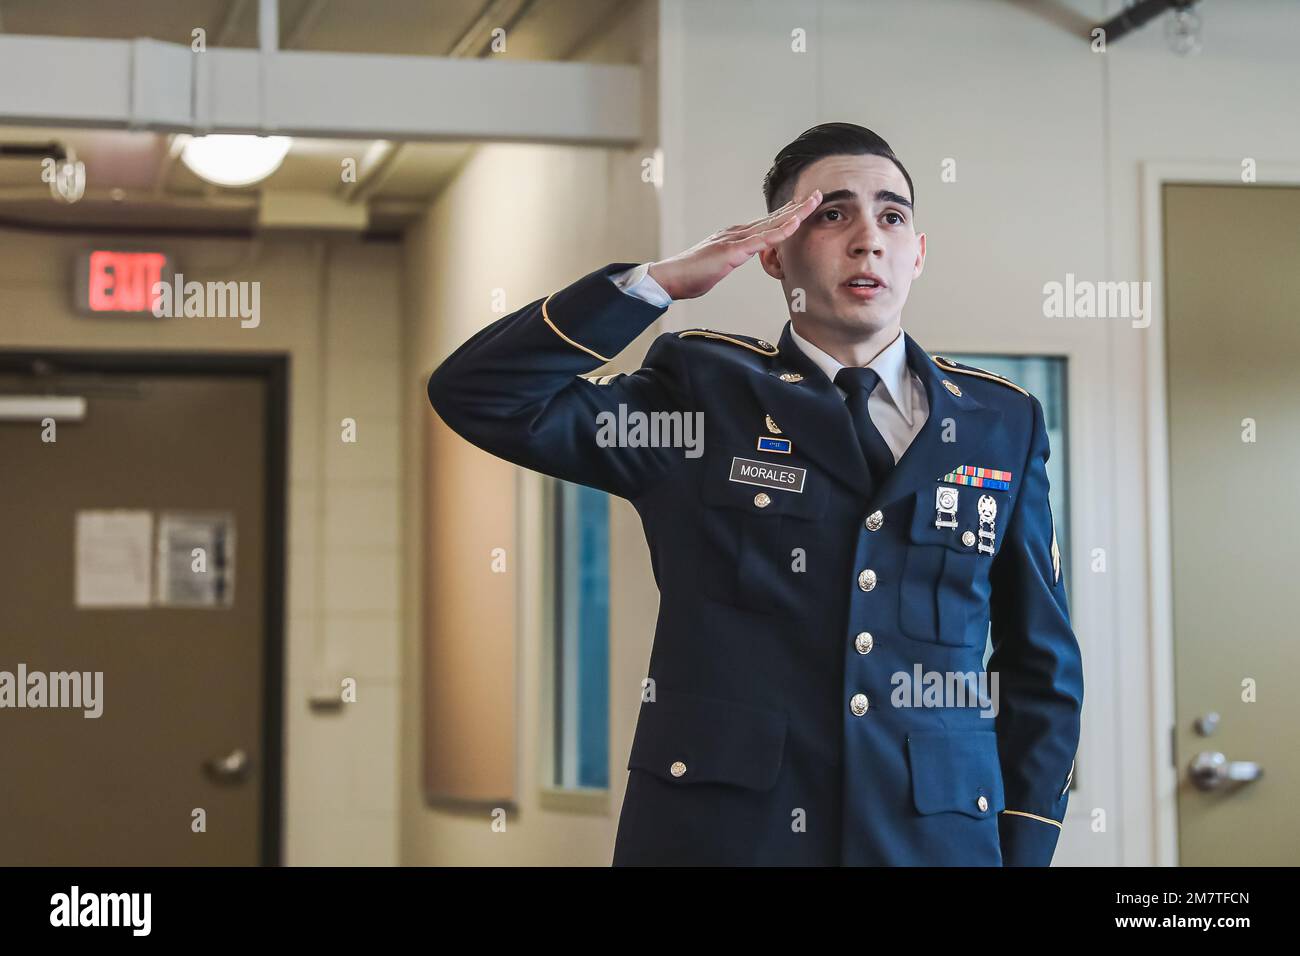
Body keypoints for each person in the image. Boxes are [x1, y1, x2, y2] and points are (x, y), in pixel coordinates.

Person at [426, 122, 1083, 866]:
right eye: (832, 214)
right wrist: (658, 283)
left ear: (918, 253)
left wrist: (1022, 846)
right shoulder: (705, 398)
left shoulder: (1001, 422)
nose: (868, 239)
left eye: (892, 216)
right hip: (726, 837)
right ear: (772, 252)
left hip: (934, 840)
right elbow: (483, 396)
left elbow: (1041, 667)